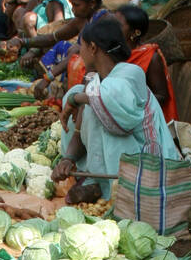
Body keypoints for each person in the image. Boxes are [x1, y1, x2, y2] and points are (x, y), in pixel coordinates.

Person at [55, 14, 181, 204]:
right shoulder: (97, 83)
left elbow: (112, 109)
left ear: (93, 48)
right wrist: (68, 159)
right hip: (117, 167)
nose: (78, 52)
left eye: (81, 45)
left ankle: (115, 190)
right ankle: (101, 184)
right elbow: (80, 128)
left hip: (146, 163)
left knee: (87, 98)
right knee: (81, 94)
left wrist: (76, 99)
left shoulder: (130, 74)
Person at [114, 3, 177, 121]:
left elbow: (162, 96)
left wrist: (132, 104)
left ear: (135, 32)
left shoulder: (150, 58)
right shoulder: (113, 51)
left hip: (143, 120)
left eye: (118, 25)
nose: (112, 28)